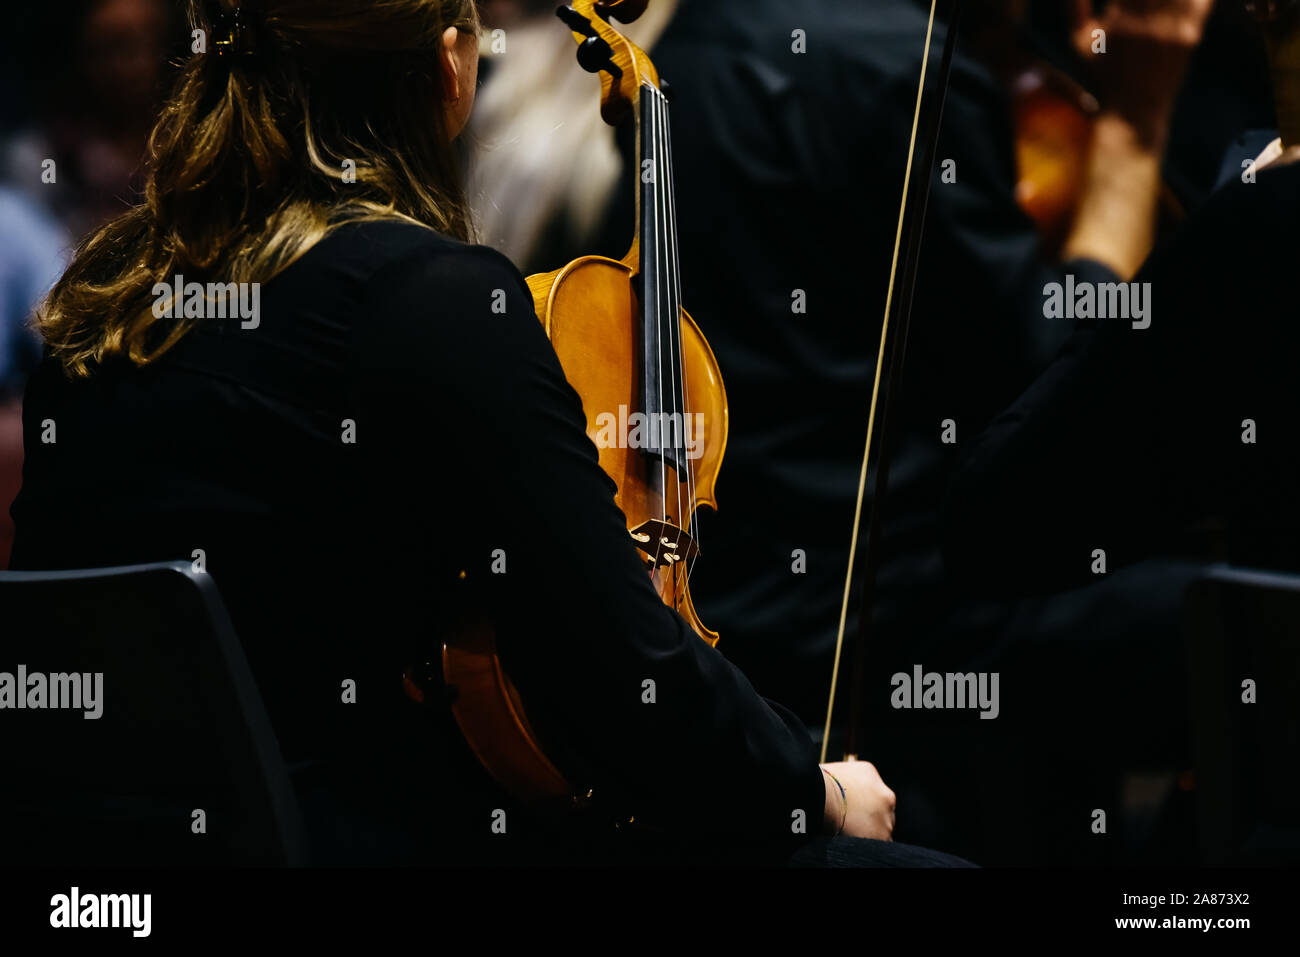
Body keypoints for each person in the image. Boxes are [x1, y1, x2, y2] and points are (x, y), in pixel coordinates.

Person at [8, 0, 963, 867]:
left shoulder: (101, 305)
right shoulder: (429, 302)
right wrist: (814, 786)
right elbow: (627, 677)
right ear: (447, 66)